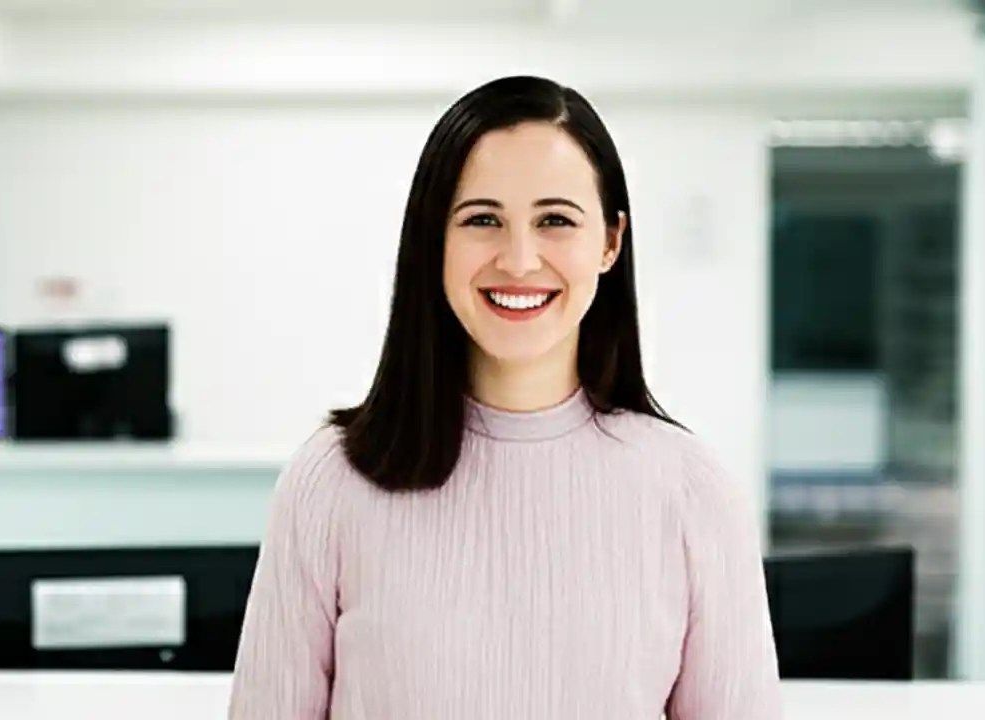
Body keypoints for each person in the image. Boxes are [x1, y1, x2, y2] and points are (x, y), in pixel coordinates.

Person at [228, 75, 782, 719]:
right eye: (483, 220)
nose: (519, 261)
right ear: (435, 240)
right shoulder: (330, 481)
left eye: (555, 221)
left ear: (610, 241)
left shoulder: (694, 492)